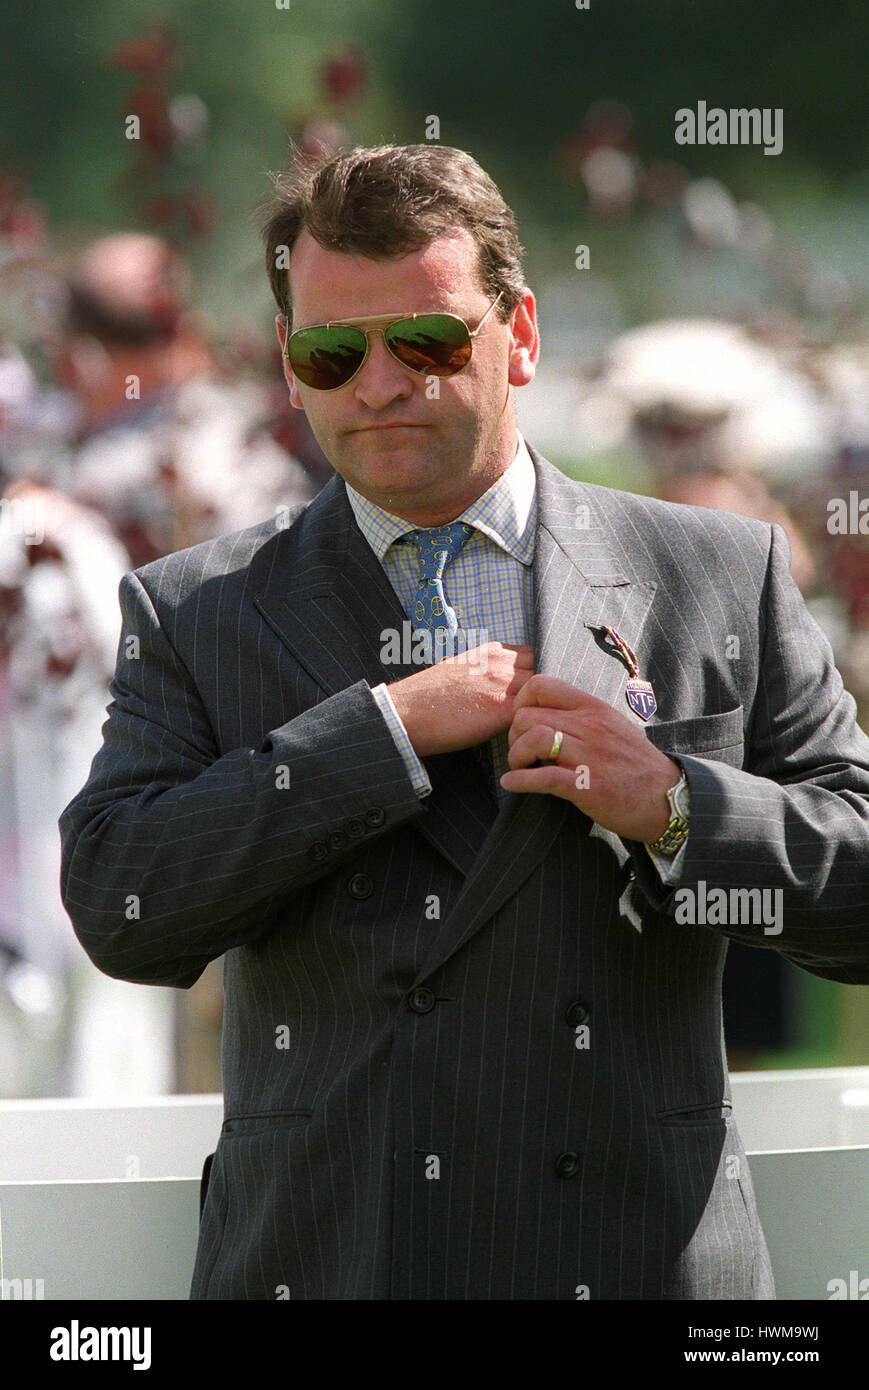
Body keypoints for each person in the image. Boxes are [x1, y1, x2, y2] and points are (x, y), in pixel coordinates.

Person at [59, 144, 869, 1300]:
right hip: (334, 1261)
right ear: (289, 367)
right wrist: (376, 735)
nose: (379, 383)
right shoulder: (195, 609)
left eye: (427, 341)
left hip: (637, 1266)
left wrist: (678, 807)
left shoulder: (713, 570)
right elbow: (118, 902)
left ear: (519, 334)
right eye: (332, 352)